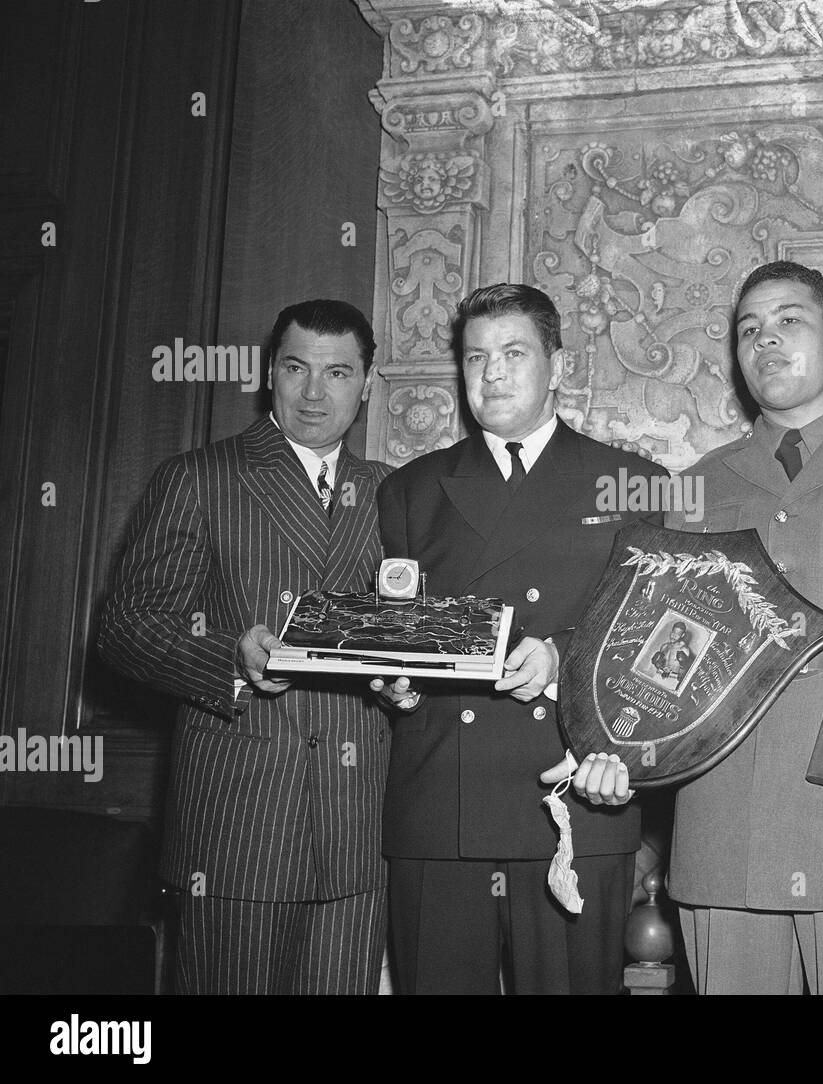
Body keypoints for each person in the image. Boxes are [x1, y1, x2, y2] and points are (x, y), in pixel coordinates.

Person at [562, 260, 823, 994]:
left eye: (791, 321)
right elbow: (660, 657)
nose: (767, 341)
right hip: (730, 827)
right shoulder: (693, 488)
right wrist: (620, 747)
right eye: (749, 329)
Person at [372, 282, 669, 994]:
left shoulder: (634, 483)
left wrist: (564, 655)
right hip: (443, 804)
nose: (493, 373)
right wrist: (392, 683)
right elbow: (392, 638)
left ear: (558, 367)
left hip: (575, 802)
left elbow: (663, 650)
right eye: (476, 358)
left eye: (514, 353)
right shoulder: (411, 490)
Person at [99, 299, 392, 994]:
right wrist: (229, 658)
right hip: (239, 830)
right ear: (269, 374)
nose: (315, 393)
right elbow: (123, 628)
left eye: (338, 373)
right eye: (297, 368)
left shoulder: (391, 492)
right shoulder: (198, 477)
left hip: (357, 836)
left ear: (367, 386)